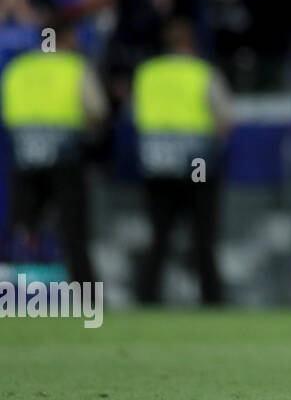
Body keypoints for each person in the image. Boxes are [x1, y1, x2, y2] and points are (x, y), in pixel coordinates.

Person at [132, 19, 233, 304]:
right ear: (192, 45)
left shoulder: (147, 74)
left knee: (158, 238)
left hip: (157, 166)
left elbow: (137, 115)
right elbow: (226, 117)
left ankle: (146, 299)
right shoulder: (202, 73)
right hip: (196, 166)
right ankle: (211, 300)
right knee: (203, 238)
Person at [1, 21, 108, 283]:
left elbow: (7, 111)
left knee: (22, 228)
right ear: (67, 38)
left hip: (26, 158)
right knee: (73, 232)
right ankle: (86, 298)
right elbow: (97, 110)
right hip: (66, 160)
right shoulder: (74, 67)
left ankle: (11, 291)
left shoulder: (17, 69)